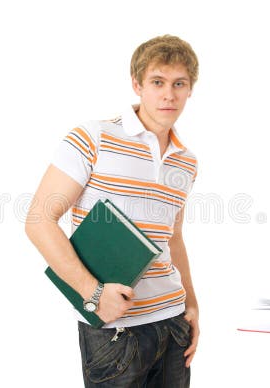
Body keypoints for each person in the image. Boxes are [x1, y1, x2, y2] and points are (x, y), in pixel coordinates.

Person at [25, 35, 200, 387]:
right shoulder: (93, 137)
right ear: (137, 85)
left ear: (190, 89)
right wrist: (92, 294)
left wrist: (192, 306)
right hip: (114, 329)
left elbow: (174, 236)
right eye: (157, 82)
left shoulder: (187, 162)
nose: (169, 94)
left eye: (179, 83)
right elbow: (38, 220)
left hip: (173, 324)